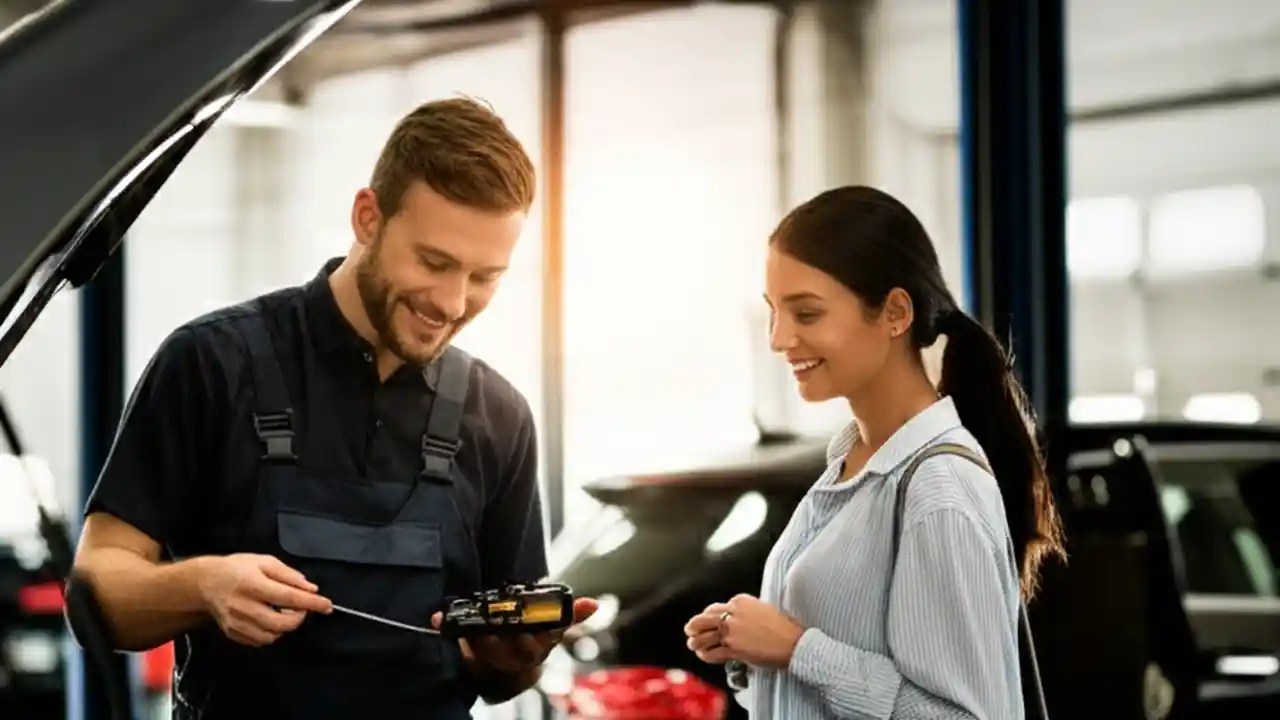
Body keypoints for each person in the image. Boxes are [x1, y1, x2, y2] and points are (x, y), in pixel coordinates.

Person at [70, 97, 596, 719]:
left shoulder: (499, 415)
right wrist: (201, 587)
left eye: (485, 276)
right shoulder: (211, 364)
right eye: (434, 262)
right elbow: (97, 590)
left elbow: (499, 680)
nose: (453, 302)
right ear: (367, 217)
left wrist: (515, 658)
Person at [683, 185, 1065, 719]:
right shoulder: (850, 467)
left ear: (894, 312)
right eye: (774, 311)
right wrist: (754, 651)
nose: (778, 338)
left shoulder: (939, 491)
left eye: (807, 314)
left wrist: (798, 649)